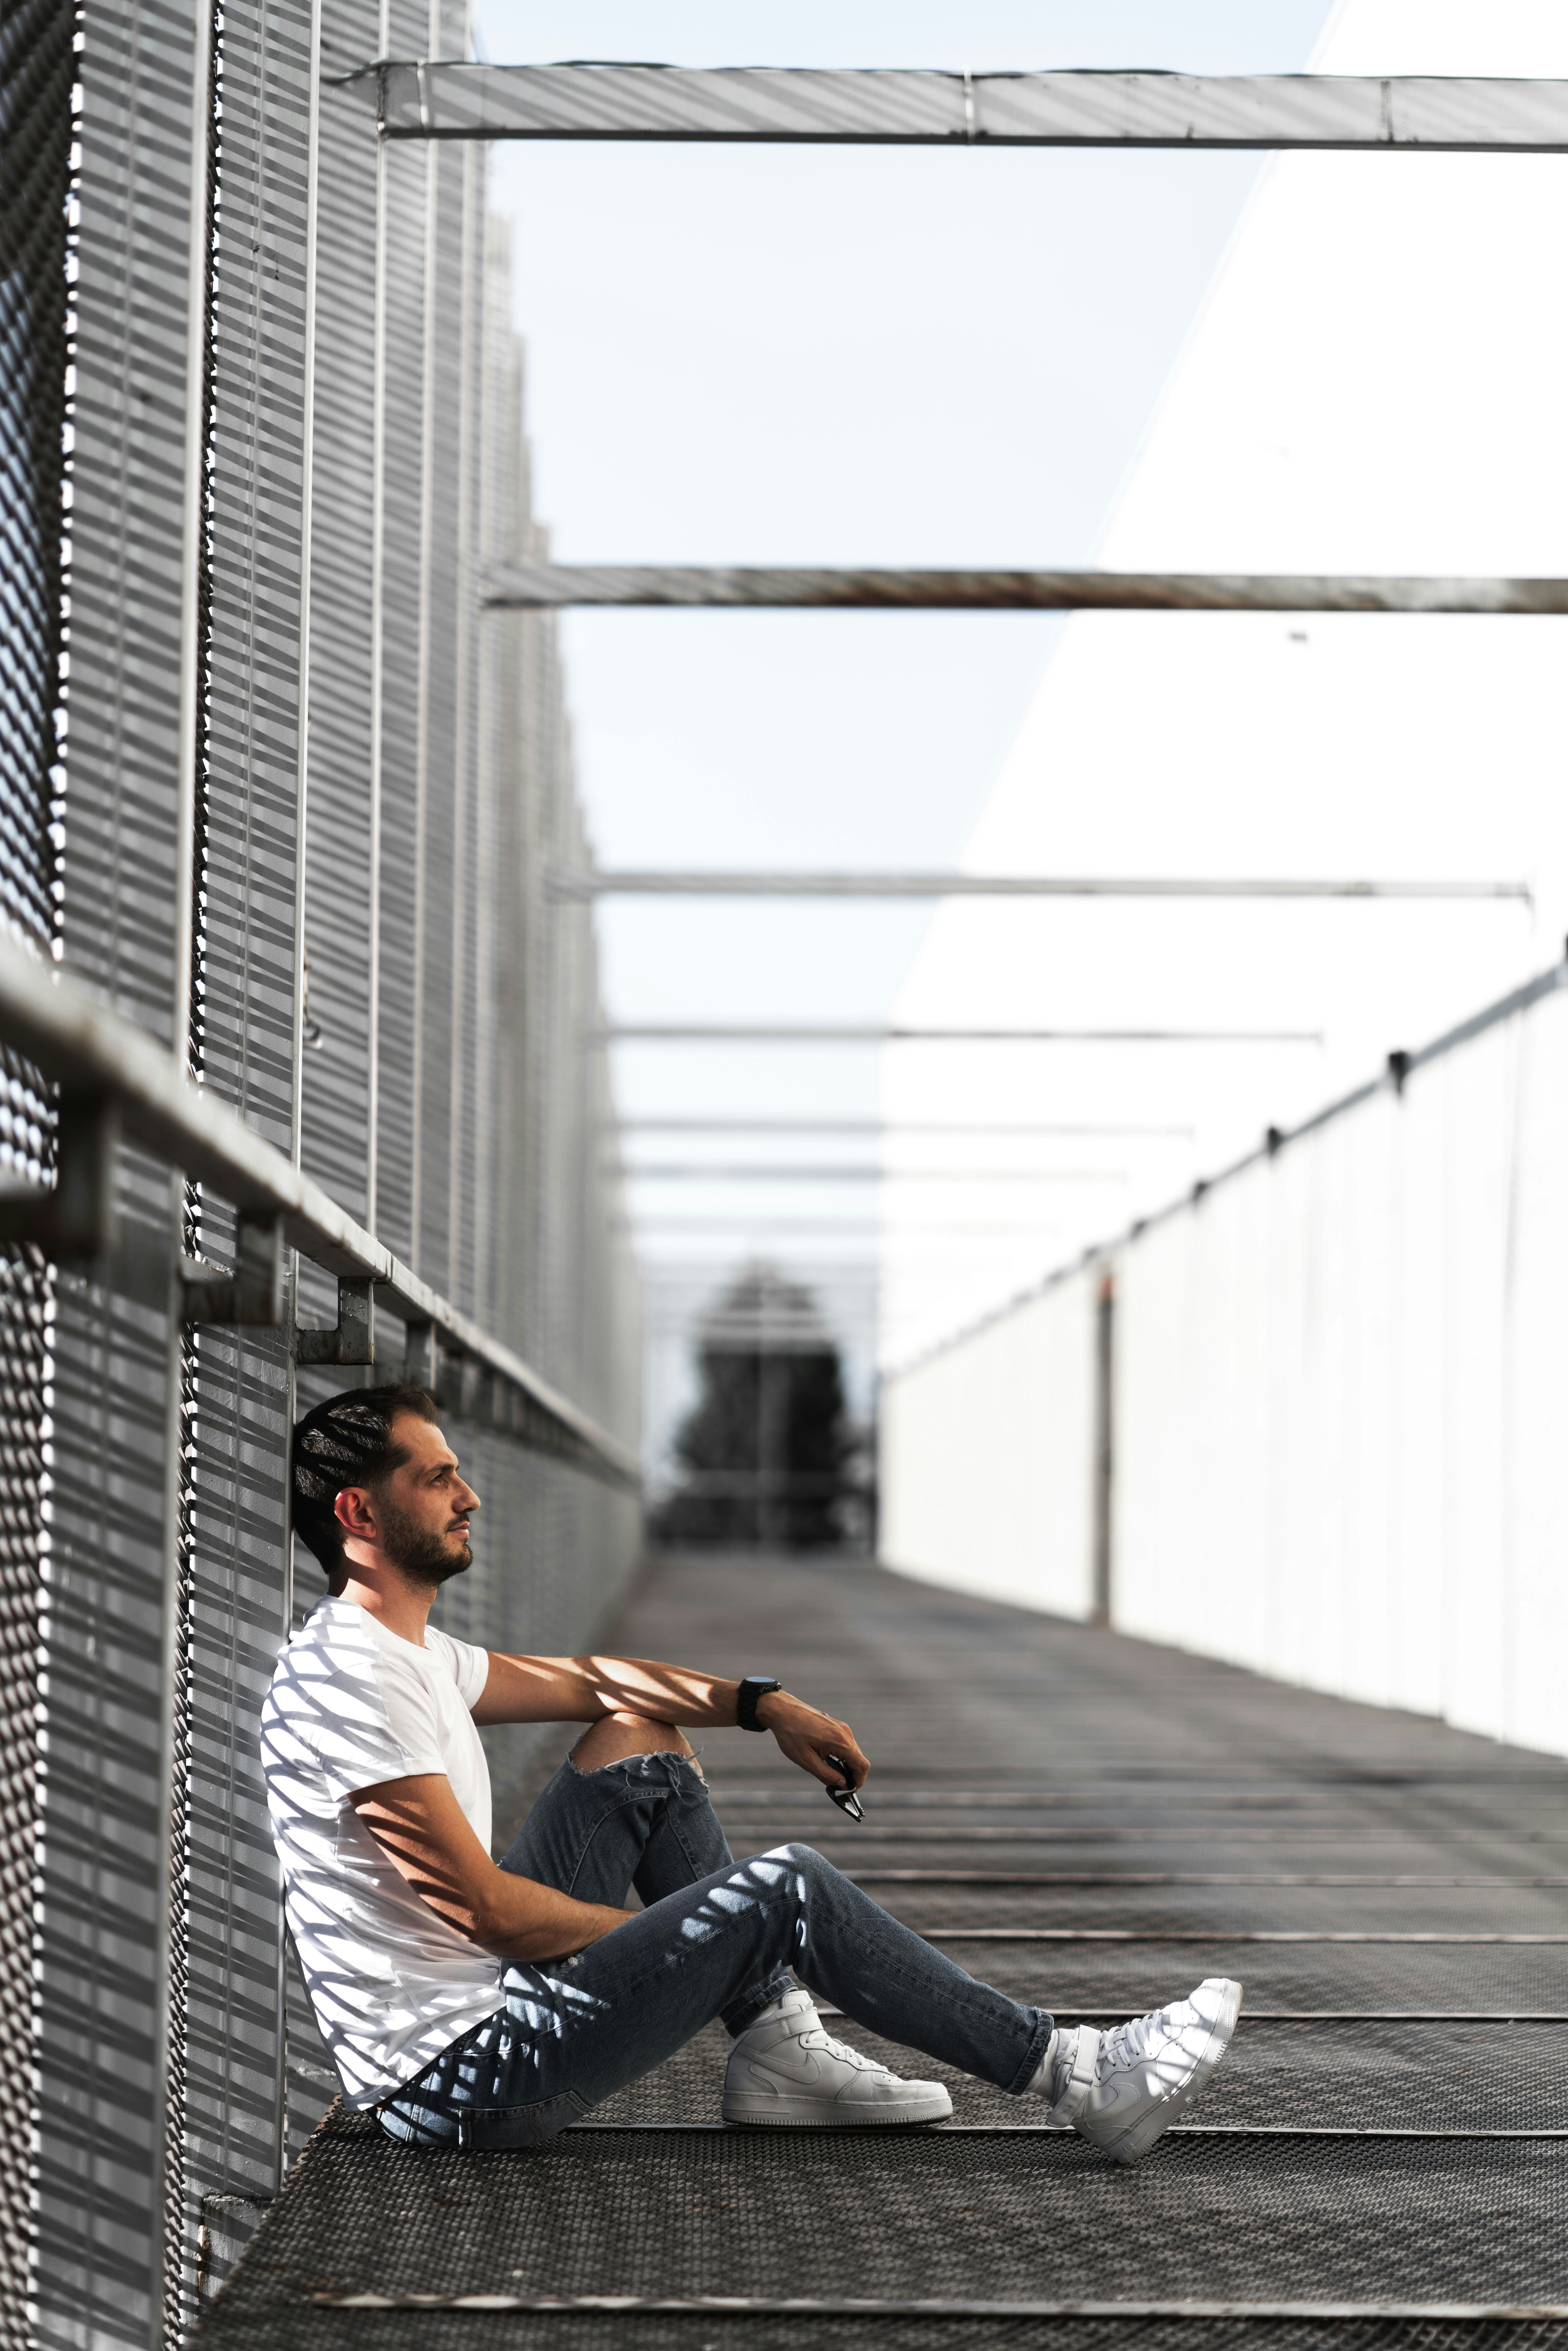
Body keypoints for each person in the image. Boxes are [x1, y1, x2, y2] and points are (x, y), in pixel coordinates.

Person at [261, 1383, 1241, 2161]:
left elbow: (598, 1681)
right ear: (359, 1510)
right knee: (785, 1891)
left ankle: (776, 2049)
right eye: (438, 1479)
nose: (470, 1496)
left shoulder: (407, 1653)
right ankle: (1082, 2077)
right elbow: (491, 1916)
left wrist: (763, 1703)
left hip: (485, 2008)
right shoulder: (352, 1679)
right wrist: (706, 1931)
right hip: (461, 2083)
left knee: (640, 1739)